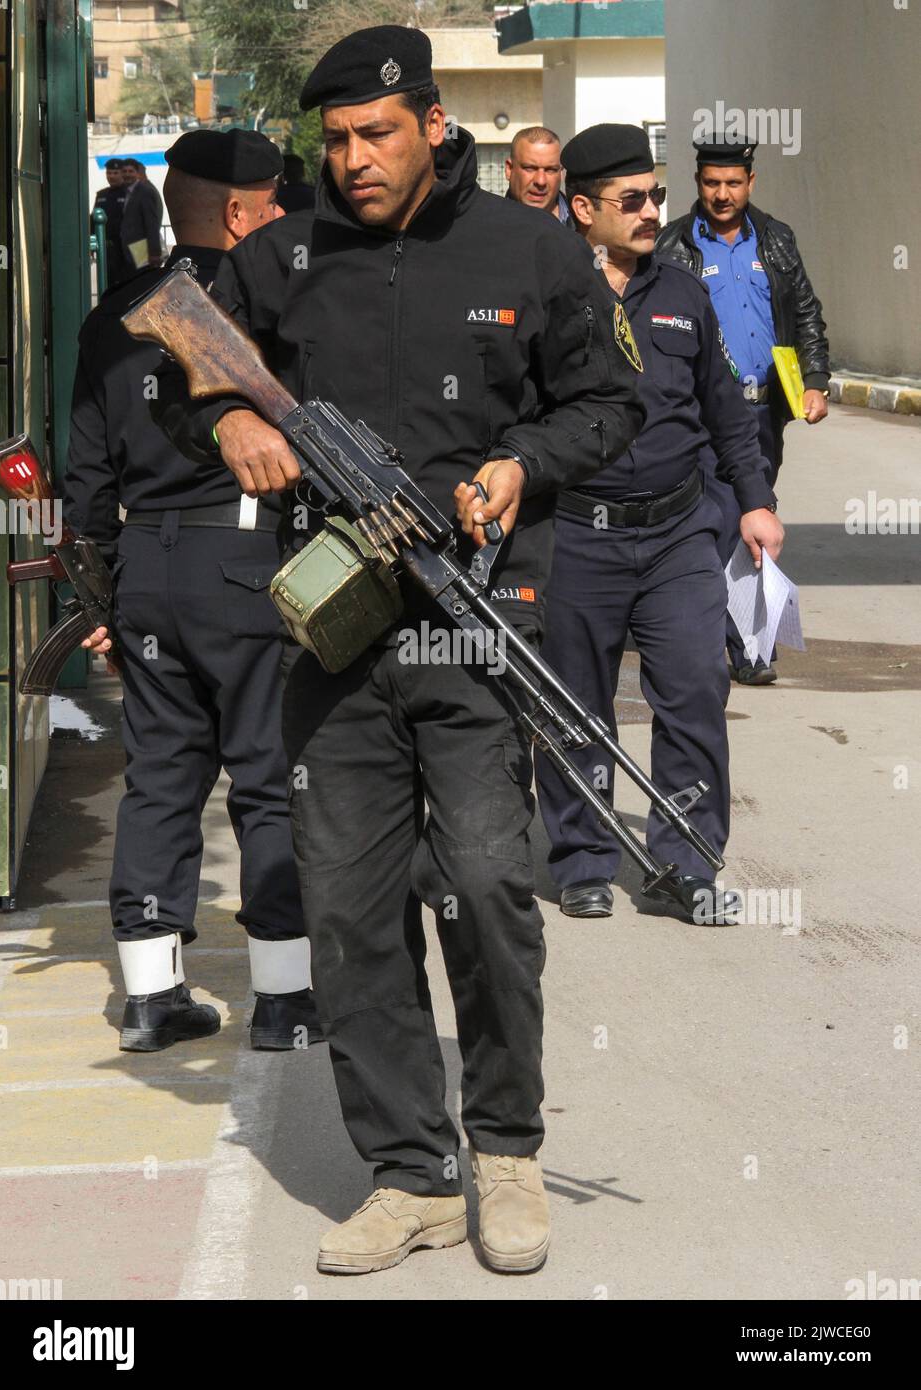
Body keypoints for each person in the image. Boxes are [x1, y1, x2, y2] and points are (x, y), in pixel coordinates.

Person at [154, 27, 644, 1275]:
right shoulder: (283, 255)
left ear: (432, 124)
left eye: (375, 134)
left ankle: (506, 1149)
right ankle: (408, 1172)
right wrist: (229, 428)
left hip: (476, 629)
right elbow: (179, 365)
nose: (354, 160)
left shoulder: (532, 251)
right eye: (334, 141)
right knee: (350, 913)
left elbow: (606, 404)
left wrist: (514, 465)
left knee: (487, 884)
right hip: (334, 643)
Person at [65, 129, 321, 1054]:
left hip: (148, 572)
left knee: (161, 781)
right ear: (244, 213)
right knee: (268, 776)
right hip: (249, 568)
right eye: (274, 203)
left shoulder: (119, 312)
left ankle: (150, 995)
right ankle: (286, 998)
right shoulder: (277, 305)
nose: (287, 216)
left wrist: (100, 596)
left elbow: (85, 479)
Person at [536, 123, 784, 925]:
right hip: (576, 534)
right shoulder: (545, 295)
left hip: (679, 531)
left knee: (694, 690)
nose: (651, 212)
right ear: (583, 208)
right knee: (576, 704)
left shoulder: (682, 293)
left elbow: (727, 410)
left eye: (656, 196)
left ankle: (686, 864)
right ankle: (582, 856)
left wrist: (754, 500)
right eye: (631, 200)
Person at [656, 134, 830, 684]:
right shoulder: (675, 246)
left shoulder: (775, 240)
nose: (723, 193)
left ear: (750, 183)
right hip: (704, 415)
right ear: (698, 184)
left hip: (764, 413)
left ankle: (744, 639)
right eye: (712, 183)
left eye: (733, 183)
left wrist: (816, 381)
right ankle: (748, 649)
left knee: (756, 516)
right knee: (728, 521)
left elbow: (805, 312)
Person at [504, 126, 570, 223]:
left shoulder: (585, 222)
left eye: (550, 170)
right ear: (509, 169)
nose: (540, 181)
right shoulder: (486, 226)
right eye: (530, 168)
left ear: (561, 172)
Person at [118, 158, 164, 273]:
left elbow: (152, 223)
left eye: (130, 171)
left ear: (137, 173)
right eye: (124, 171)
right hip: (125, 250)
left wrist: (154, 252)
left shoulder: (146, 191)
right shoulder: (123, 192)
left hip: (142, 249)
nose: (127, 174)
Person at [91, 158, 129, 288]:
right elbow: (93, 218)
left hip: (126, 248)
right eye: (109, 173)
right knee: (108, 284)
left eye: (115, 173)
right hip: (107, 248)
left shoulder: (130, 193)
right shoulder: (102, 194)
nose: (111, 176)